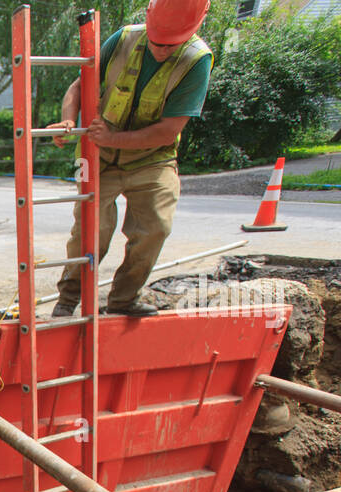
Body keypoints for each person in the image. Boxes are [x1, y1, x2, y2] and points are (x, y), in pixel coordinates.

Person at [50, 0, 214, 318]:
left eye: (171, 44)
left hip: (153, 158)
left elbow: (168, 131)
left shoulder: (197, 59)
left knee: (155, 226)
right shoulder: (124, 38)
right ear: (149, 23)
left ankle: (123, 301)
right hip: (99, 154)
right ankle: (68, 299)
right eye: (156, 41)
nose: (162, 50)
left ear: (192, 31)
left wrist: (113, 138)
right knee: (90, 229)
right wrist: (68, 120)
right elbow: (79, 84)